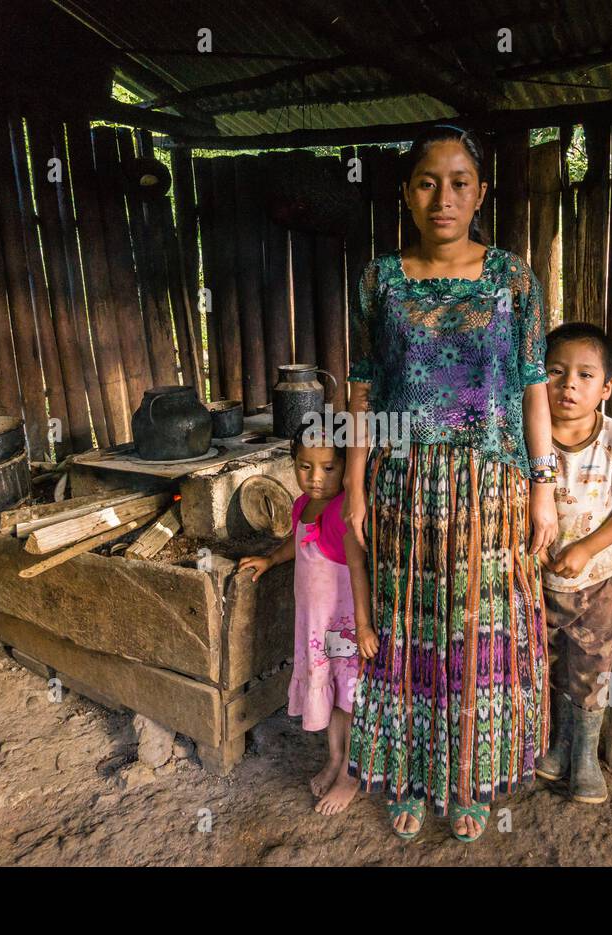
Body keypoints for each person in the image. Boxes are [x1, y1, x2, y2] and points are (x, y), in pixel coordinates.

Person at [342, 123, 559, 842]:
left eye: (459, 182)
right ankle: (407, 776)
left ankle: (466, 783)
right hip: (404, 482)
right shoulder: (380, 279)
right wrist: (352, 481)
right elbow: (364, 387)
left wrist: (544, 486)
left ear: (480, 193)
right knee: (407, 634)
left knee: (474, 636)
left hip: (490, 485)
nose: (444, 197)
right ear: (406, 194)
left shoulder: (512, 278)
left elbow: (532, 389)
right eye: (428, 182)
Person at [535, 322, 612, 803]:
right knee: (541, 665)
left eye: (585, 375)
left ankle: (583, 756)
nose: (569, 385)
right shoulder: (528, 433)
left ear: (606, 388)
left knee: (589, 669)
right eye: (556, 372)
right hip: (531, 581)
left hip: (596, 583)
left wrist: (586, 547)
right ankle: (555, 746)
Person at [237, 427, 375, 815]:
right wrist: (270, 559)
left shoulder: (342, 512)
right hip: (314, 628)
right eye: (305, 467)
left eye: (329, 467)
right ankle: (334, 759)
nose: (316, 478)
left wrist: (363, 626)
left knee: (348, 699)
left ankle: (351, 772)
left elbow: (358, 568)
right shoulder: (302, 505)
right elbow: (297, 544)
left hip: (343, 626)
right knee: (331, 696)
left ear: (347, 467)